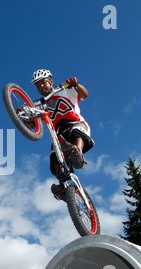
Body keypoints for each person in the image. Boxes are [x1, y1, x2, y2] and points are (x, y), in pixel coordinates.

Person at [31, 69, 94, 200]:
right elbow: (31, 126)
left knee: (75, 132)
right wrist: (25, 117)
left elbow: (84, 95)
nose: (41, 86)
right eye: (38, 85)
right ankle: (64, 188)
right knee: (54, 160)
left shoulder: (64, 90)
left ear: (51, 81)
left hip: (74, 124)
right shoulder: (38, 105)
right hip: (58, 137)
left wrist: (76, 85)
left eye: (43, 83)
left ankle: (78, 155)